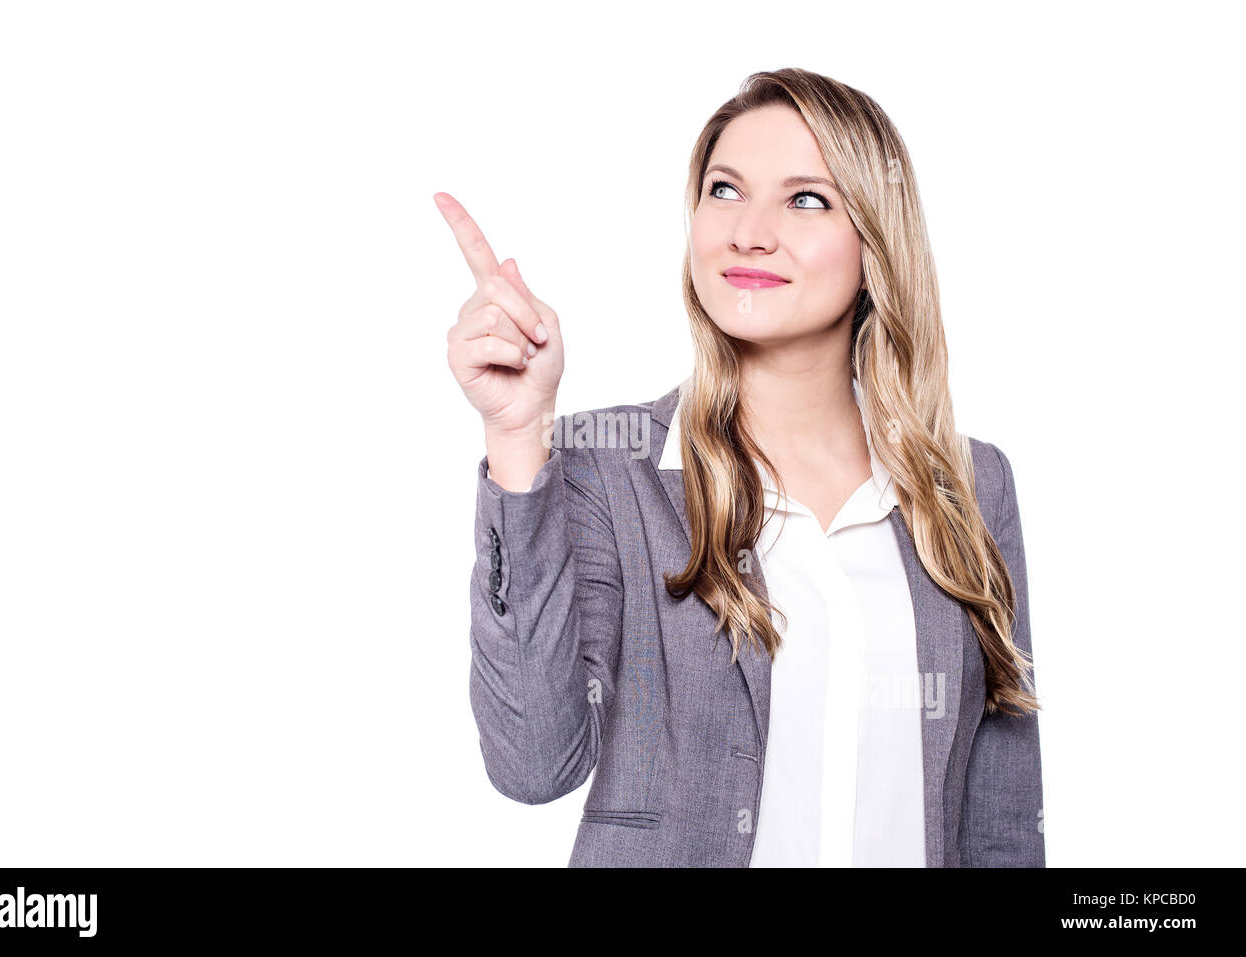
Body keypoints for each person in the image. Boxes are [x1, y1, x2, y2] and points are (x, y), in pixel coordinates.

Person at [437, 67, 1045, 868]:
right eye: (725, 190)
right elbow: (533, 761)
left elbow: (1000, 821)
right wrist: (517, 439)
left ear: (876, 241)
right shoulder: (607, 468)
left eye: (805, 199)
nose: (748, 231)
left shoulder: (970, 485)